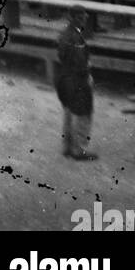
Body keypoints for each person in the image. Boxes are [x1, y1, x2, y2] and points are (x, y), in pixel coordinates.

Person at [54, 8, 97, 161]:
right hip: (77, 79)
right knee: (83, 114)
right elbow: (80, 63)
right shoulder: (76, 37)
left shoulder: (64, 34)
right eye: (81, 17)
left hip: (64, 77)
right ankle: (78, 150)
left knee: (68, 112)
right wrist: (88, 76)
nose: (84, 19)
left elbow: (60, 56)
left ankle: (67, 147)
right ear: (75, 18)